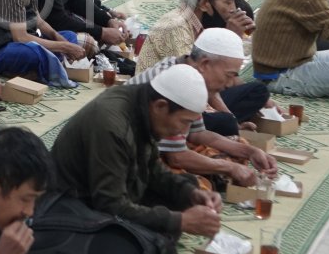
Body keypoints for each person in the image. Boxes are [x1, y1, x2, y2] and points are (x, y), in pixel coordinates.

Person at [52, 64, 223, 239]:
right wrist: (179, 221)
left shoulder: (143, 103)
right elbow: (110, 205)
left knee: (186, 188)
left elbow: (152, 168)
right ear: (161, 106)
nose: (184, 131)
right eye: (184, 122)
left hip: (109, 191)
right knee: (153, 241)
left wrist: (191, 193)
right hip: (75, 206)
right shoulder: (112, 127)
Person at [128, 28, 276, 187]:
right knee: (192, 186)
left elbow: (197, 133)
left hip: (161, 148)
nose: (228, 84)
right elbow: (176, 157)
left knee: (236, 144)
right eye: (229, 75)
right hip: (129, 154)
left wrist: (251, 152)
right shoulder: (176, 81)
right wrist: (230, 168)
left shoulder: (190, 76)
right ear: (205, 64)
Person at [137, 0, 254, 72]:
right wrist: (230, 37)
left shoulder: (198, 23)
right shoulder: (175, 25)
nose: (234, 9)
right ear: (204, 4)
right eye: (228, 2)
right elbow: (195, 77)